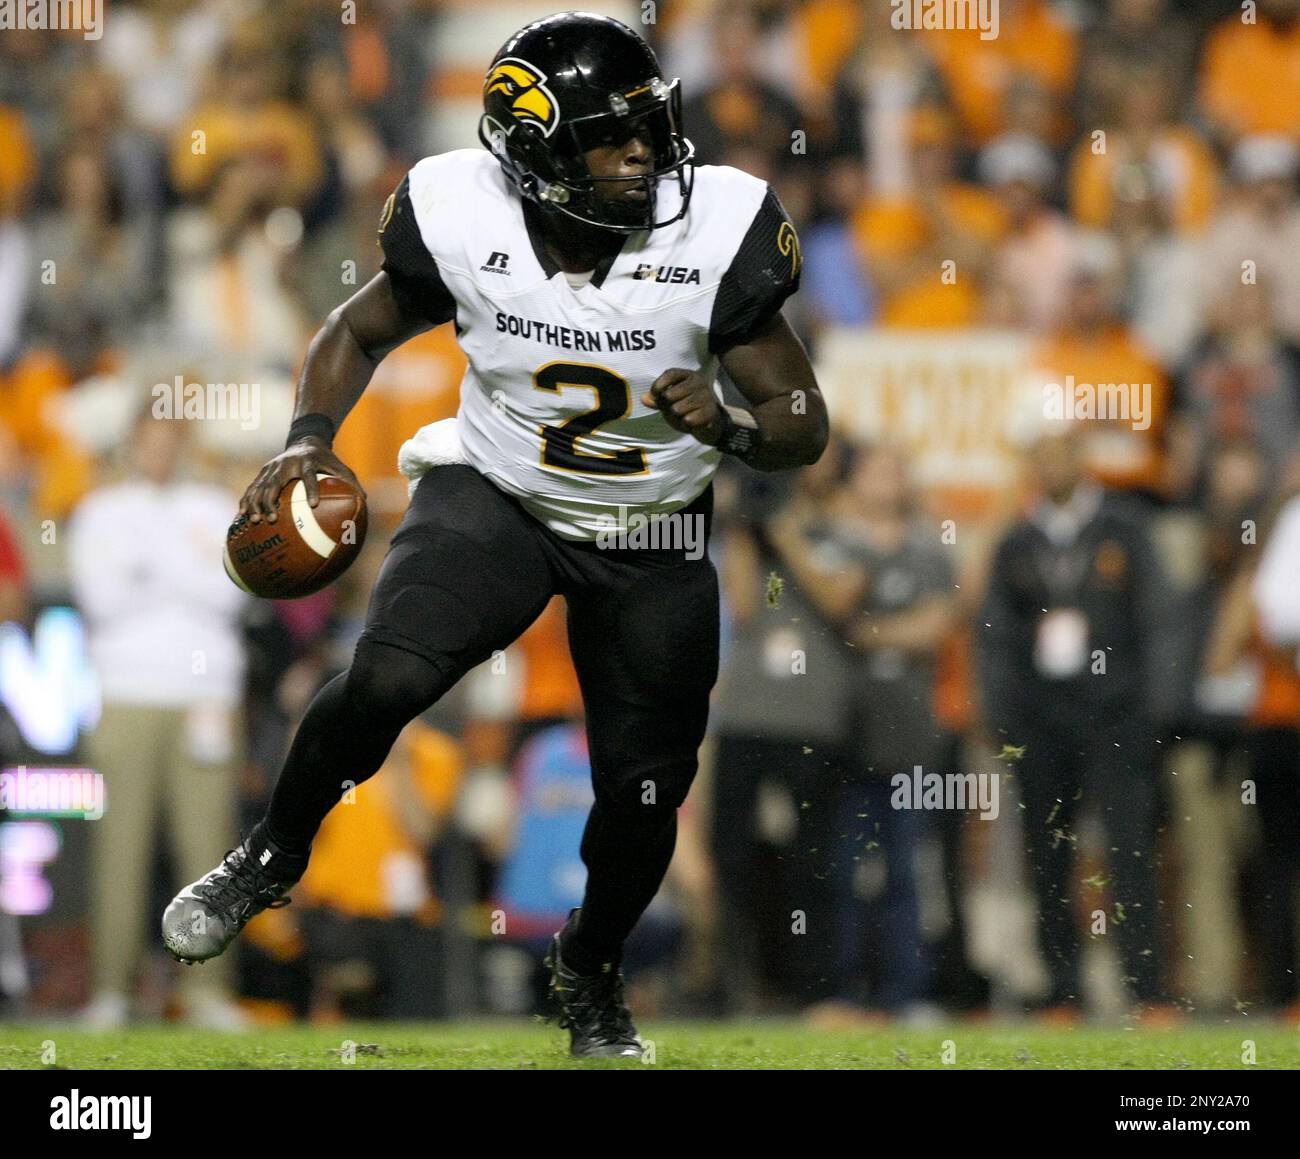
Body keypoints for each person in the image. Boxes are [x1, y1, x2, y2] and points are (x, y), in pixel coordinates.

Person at [161, 12, 827, 1059]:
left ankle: (589, 969)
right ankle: (272, 854)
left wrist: (735, 427)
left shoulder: (717, 230)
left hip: (652, 528)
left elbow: (803, 421)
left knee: (646, 790)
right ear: (538, 158)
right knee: (386, 675)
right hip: (501, 492)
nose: (643, 154)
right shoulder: (461, 213)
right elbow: (354, 330)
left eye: (648, 127)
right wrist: (305, 440)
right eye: (612, 139)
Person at [70, 409, 247, 1028]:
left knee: (210, 855)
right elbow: (100, 599)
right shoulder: (101, 511)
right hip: (127, 693)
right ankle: (110, 992)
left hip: (205, 697)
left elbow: (233, 593)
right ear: (131, 446)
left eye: (171, 443)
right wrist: (188, 570)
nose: (160, 454)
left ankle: (209, 992)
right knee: (120, 850)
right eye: (149, 443)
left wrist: (151, 570)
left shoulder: (214, 506)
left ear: (186, 447)